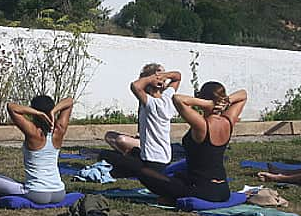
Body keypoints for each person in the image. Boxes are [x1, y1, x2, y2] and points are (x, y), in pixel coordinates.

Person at [102, 81, 247, 204]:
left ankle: (105, 156)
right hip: (223, 191)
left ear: (203, 100)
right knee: (176, 175)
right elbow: (243, 95)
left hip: (202, 192)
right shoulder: (228, 121)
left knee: (142, 171)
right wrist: (225, 101)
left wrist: (208, 104)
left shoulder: (202, 125)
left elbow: (177, 99)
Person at [0, 95, 75, 204]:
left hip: (36, 194)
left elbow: (11, 107)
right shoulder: (59, 130)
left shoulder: (33, 132)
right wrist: (54, 111)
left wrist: (38, 113)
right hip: (59, 193)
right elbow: (69, 101)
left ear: (33, 110)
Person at [104, 63, 183, 172]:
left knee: (107, 155)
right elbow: (177, 77)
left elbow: (135, 86)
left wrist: (153, 77)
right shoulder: (167, 98)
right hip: (164, 159)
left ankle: (130, 157)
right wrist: (165, 75)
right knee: (110, 136)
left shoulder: (151, 104)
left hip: (151, 161)